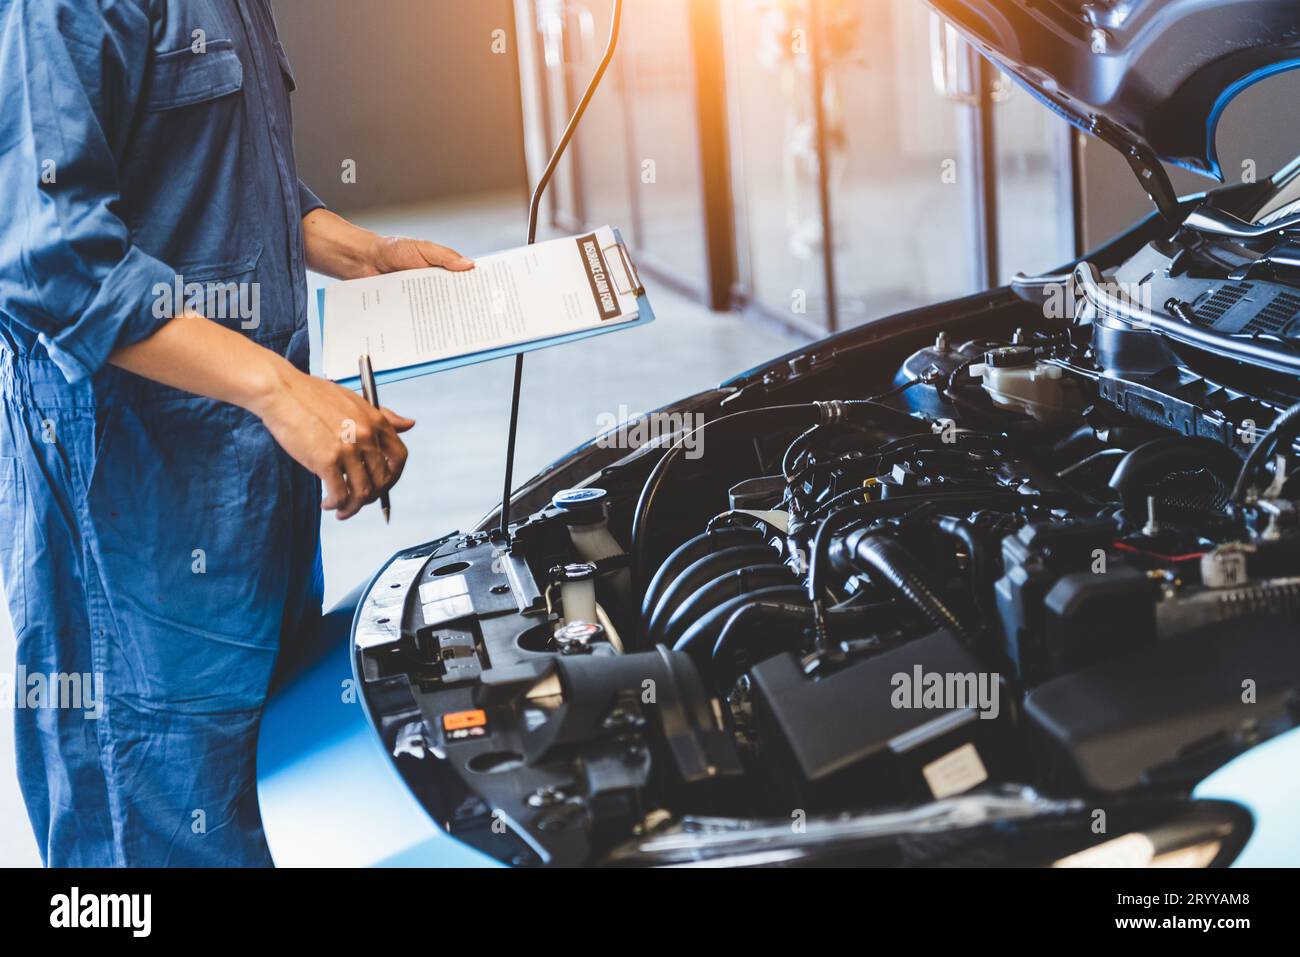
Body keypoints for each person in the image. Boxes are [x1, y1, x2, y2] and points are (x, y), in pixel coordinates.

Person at [0, 0, 473, 866]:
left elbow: (207, 180)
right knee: (155, 826)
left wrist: (365, 253)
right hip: (134, 518)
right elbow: (50, 260)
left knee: (259, 803)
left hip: (252, 498)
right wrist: (279, 389)